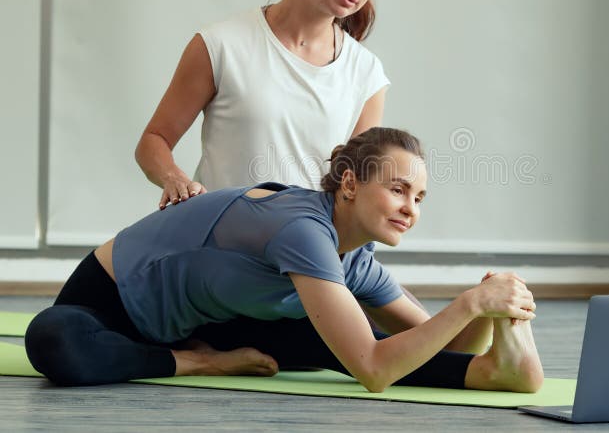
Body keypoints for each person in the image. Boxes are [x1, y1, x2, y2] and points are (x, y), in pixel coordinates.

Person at [25, 128, 544, 393]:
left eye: (420, 198)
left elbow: (428, 346)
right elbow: (373, 372)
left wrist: (483, 316)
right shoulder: (302, 229)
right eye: (398, 190)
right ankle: (199, 363)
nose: (410, 208)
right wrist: (470, 301)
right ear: (349, 183)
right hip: (114, 300)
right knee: (53, 342)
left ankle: (491, 373)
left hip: (214, 319)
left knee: (373, 342)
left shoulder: (354, 257)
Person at [135, 0, 393, 210]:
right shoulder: (221, 45)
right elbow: (153, 140)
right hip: (221, 245)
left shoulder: (366, 74)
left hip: (303, 252)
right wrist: (173, 177)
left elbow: (354, 191)